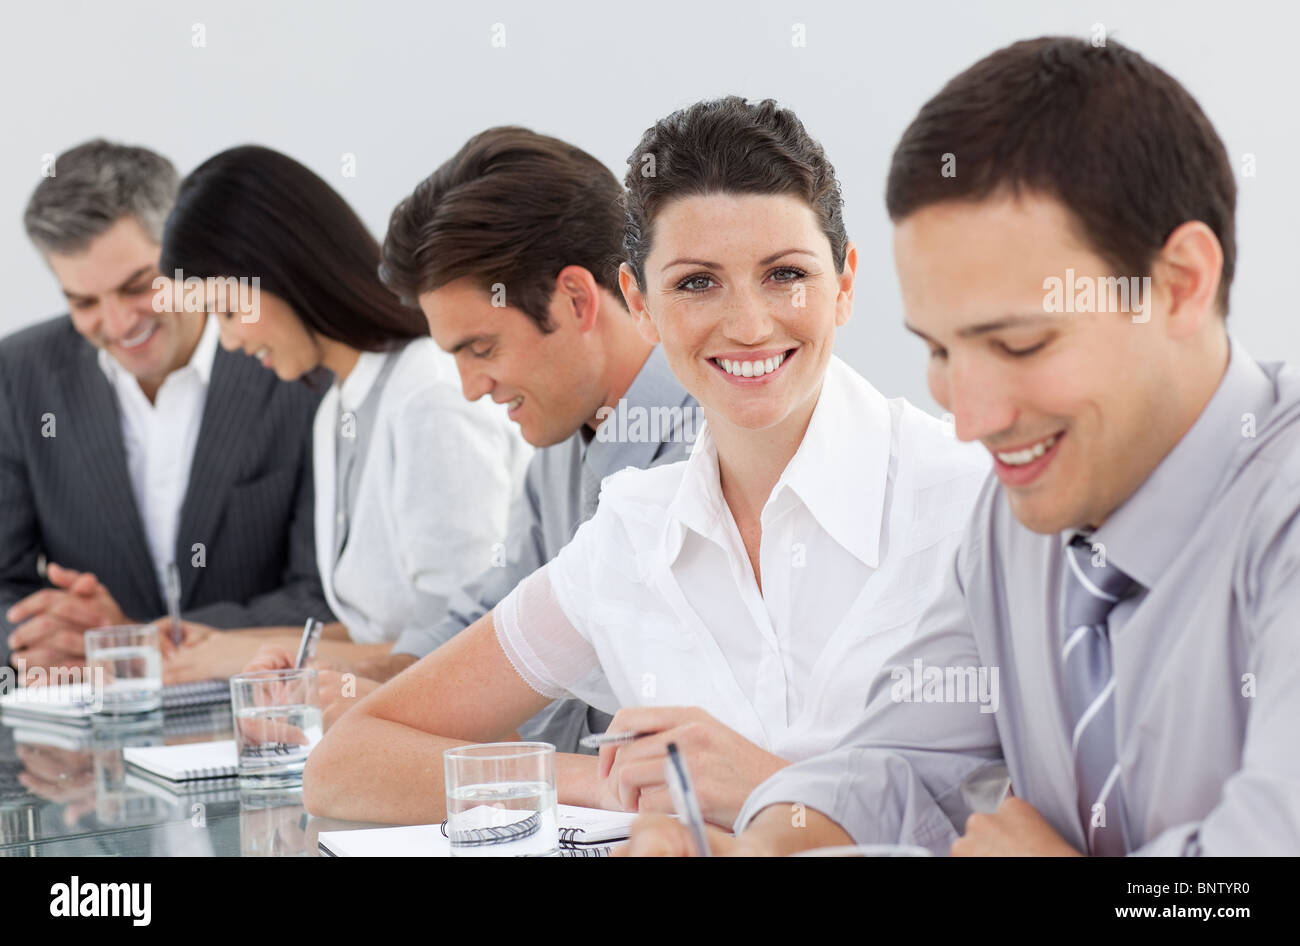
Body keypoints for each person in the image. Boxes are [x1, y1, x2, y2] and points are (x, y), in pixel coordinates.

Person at [624, 37, 1300, 858]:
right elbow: (898, 763)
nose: (971, 421)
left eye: (1017, 344)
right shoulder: (1014, 523)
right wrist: (756, 848)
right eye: (941, 352)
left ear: (1182, 282)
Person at [302, 98, 989, 827]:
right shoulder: (631, 531)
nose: (750, 324)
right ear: (642, 302)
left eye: (786, 273)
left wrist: (765, 788)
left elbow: (1067, 832)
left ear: (845, 284)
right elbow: (345, 766)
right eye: (697, 282)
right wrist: (616, 784)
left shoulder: (972, 500)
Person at [244, 126, 698, 750]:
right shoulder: (563, 445)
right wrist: (361, 681)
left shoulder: (709, 446)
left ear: (573, 300)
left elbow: (628, 697)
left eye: (481, 348)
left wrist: (408, 709)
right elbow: (487, 613)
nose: (470, 388)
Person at [154, 145, 530, 682]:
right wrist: (221, 643)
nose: (230, 340)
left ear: (285, 271)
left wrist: (236, 658)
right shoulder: (337, 404)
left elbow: (458, 645)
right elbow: (371, 632)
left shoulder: (428, 393)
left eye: (230, 311)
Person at [0, 140, 329, 677]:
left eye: (138, 286)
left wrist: (141, 641)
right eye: (82, 302)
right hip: (93, 728)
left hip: (262, 712)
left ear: (187, 251)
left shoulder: (292, 363)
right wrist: (55, 635)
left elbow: (324, 598)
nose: (118, 323)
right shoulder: (18, 374)